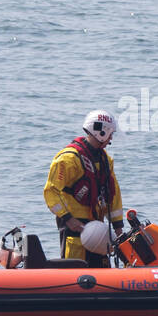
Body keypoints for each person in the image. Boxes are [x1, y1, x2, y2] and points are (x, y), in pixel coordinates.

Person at [43, 110, 124, 266]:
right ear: (101, 132)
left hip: (98, 229)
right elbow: (51, 192)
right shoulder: (68, 159)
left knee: (102, 266)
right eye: (110, 134)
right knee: (75, 266)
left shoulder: (106, 160)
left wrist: (118, 227)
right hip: (74, 227)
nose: (111, 138)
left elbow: (114, 196)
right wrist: (68, 219)